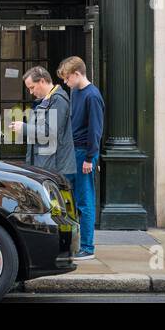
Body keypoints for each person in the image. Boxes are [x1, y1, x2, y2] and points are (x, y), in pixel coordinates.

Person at [59, 56, 104, 259]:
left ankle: (87, 247)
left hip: (84, 154)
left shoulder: (92, 96)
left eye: (67, 78)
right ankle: (75, 244)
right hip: (72, 152)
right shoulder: (75, 91)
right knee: (72, 201)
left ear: (77, 74)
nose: (66, 82)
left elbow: (96, 129)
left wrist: (90, 157)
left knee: (85, 201)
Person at [13, 67, 74, 185]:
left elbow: (49, 131)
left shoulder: (58, 100)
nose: (31, 92)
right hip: (45, 164)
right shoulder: (45, 100)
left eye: (32, 87)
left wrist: (23, 128)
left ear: (42, 81)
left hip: (54, 166)